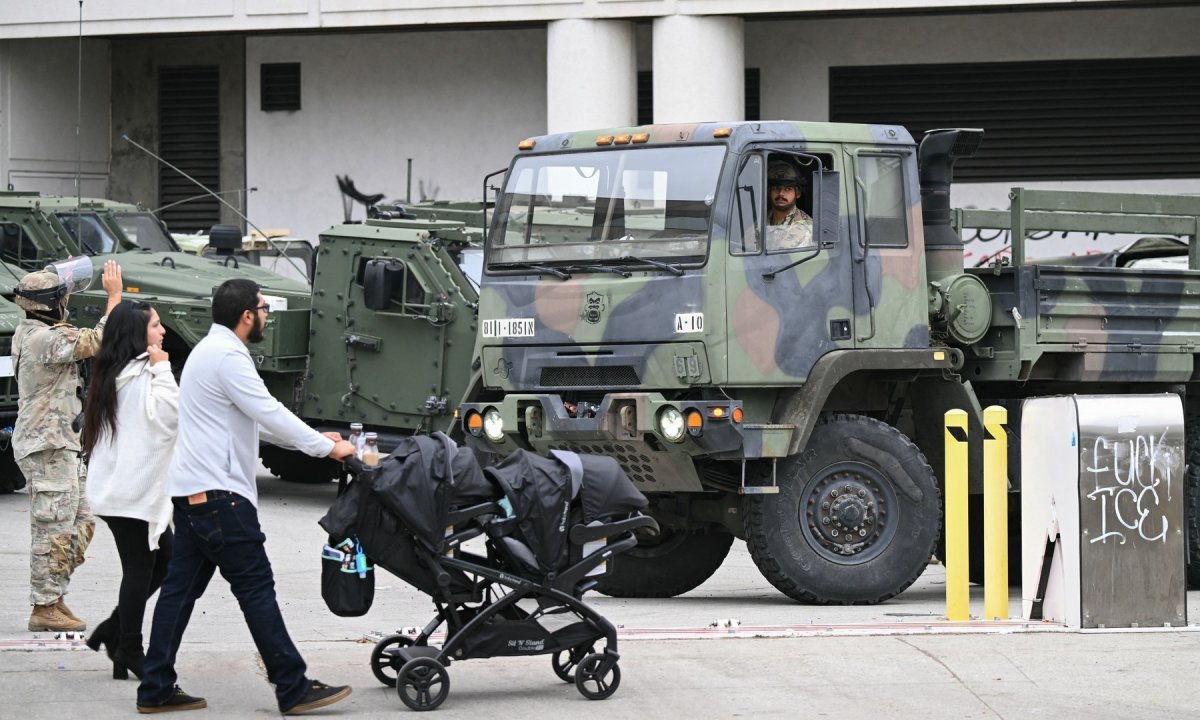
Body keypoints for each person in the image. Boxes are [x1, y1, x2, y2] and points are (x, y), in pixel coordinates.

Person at [137, 279, 356, 715]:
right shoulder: (227, 357)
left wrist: (314, 440)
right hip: (221, 500)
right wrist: (328, 449)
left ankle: (155, 688)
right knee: (256, 589)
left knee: (178, 594)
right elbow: (269, 411)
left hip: (195, 496)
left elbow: (259, 420)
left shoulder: (210, 351)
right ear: (247, 315)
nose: (267, 316)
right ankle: (292, 687)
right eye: (263, 308)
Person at [15, 259, 122, 633]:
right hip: (46, 445)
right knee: (51, 527)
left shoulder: (40, 327)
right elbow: (95, 341)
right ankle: (44, 605)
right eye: (61, 297)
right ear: (50, 305)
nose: (66, 302)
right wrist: (114, 299)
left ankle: (54, 593)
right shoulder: (44, 338)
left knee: (82, 521)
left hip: (61, 442)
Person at [82, 301, 179, 680]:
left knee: (165, 562)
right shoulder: (141, 374)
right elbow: (171, 418)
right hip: (131, 494)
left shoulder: (112, 372)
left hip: (120, 491)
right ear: (139, 334)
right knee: (141, 568)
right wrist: (163, 368)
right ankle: (129, 646)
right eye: (156, 325)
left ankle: (115, 631)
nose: (162, 331)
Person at [766, 160, 814, 251]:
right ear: (769, 192)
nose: (781, 193)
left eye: (788, 189)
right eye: (776, 188)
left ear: (798, 193)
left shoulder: (805, 227)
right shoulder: (763, 219)